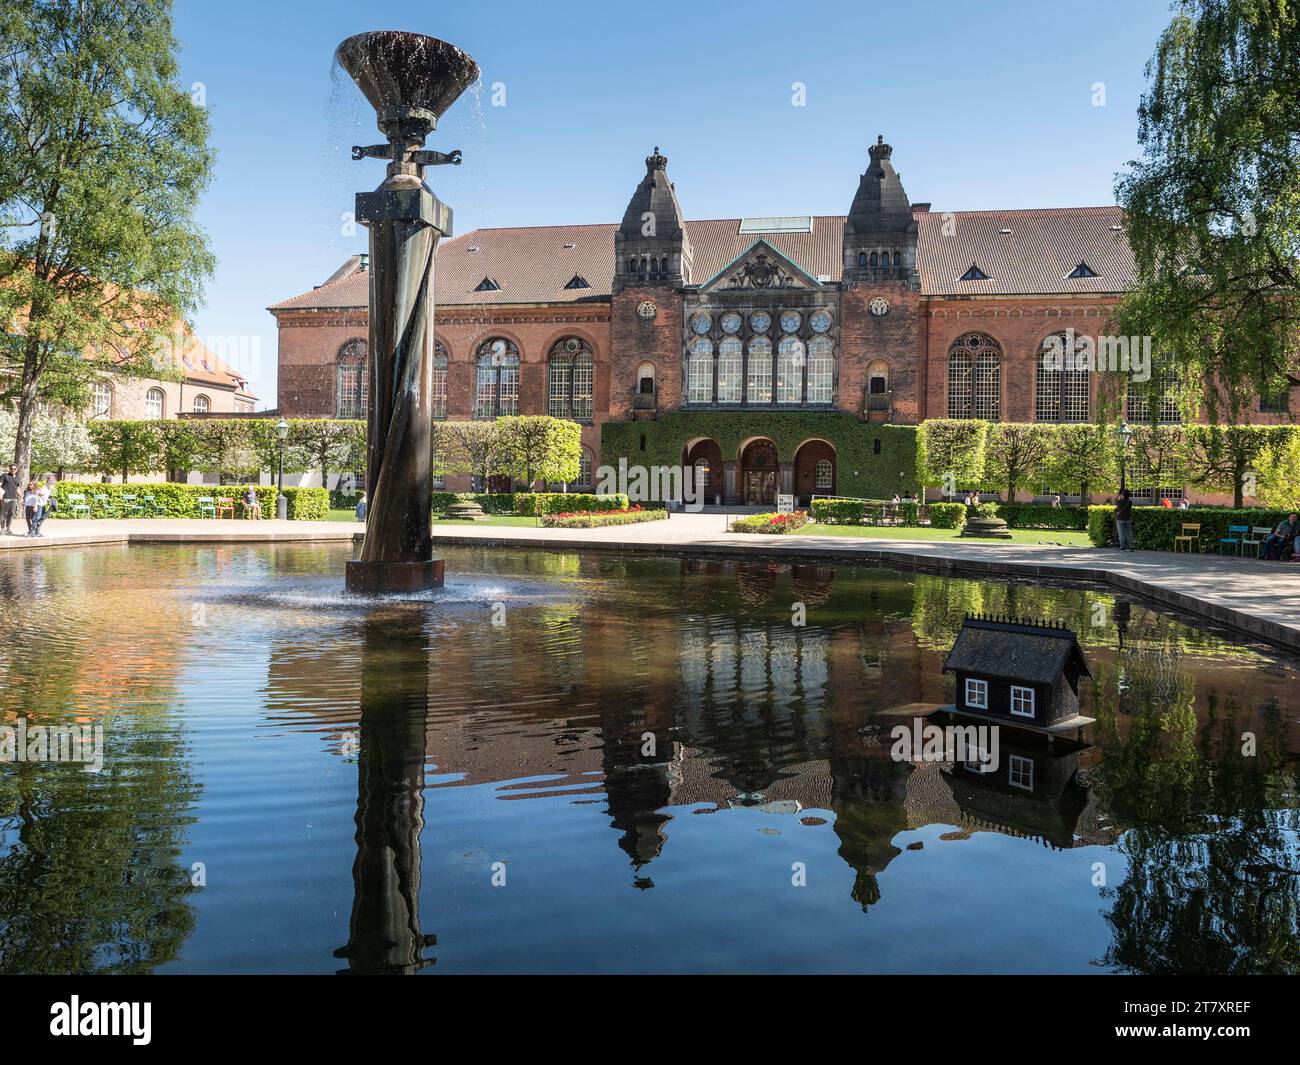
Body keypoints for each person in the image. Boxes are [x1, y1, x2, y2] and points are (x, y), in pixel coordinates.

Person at [0, 463, 20, 535]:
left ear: (17, 470)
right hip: (6, 498)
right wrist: (0, 494)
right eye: (11, 469)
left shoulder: (17, 478)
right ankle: (2, 529)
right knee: (3, 514)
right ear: (9, 469)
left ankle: (8, 529)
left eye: (15, 469)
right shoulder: (5, 476)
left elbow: (17, 488)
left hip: (14, 498)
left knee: (11, 514)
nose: (13, 470)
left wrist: (21, 497)